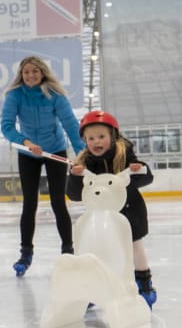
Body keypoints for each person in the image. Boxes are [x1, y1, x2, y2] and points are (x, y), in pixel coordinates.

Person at [0, 56, 86, 277]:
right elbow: (7, 126)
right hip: (28, 152)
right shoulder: (14, 95)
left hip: (55, 150)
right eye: (26, 72)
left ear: (43, 73)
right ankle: (25, 253)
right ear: (21, 74)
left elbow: (70, 125)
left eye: (35, 71)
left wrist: (82, 155)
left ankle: (68, 249)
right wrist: (25, 142)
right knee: (30, 202)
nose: (30, 75)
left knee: (58, 201)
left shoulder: (54, 95)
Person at [66, 110, 158, 308]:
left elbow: (146, 178)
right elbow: (74, 195)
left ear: (113, 136)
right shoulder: (84, 163)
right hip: (99, 217)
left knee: (134, 246)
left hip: (130, 210)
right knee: (96, 250)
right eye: (90, 138)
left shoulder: (125, 155)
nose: (96, 142)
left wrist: (138, 169)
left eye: (101, 136)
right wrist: (74, 176)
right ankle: (93, 288)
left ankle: (144, 283)